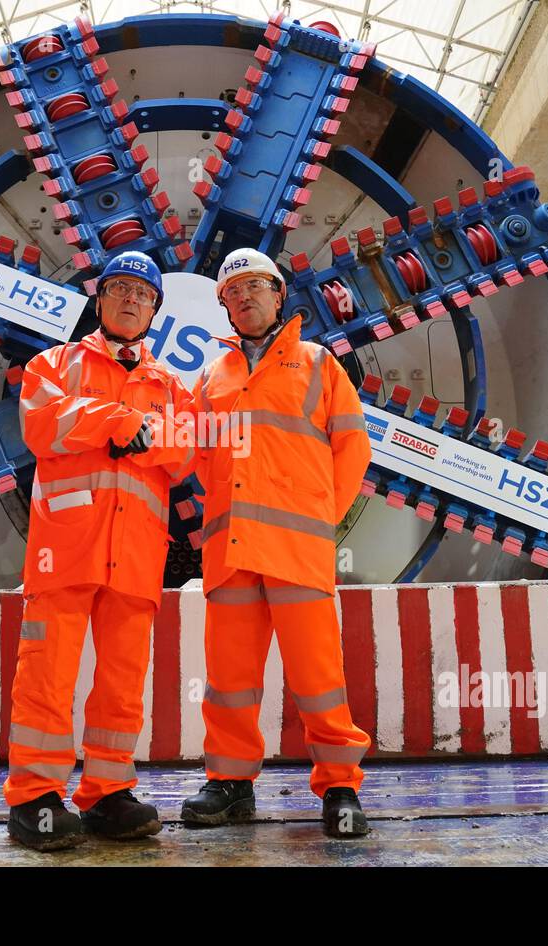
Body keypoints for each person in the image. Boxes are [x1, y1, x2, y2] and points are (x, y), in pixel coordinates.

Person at [180, 247, 374, 838]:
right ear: (224, 307)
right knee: (230, 680)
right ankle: (231, 785)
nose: (244, 297)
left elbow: (353, 450)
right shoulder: (211, 378)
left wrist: (317, 520)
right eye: (232, 292)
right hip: (231, 553)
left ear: (278, 293)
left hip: (297, 551)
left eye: (255, 286)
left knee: (318, 677)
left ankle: (340, 788)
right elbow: (196, 459)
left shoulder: (318, 364)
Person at [5, 250, 194, 851]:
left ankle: (108, 792)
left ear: (155, 310)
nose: (131, 299)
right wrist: (116, 421)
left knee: (122, 680)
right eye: (120, 288)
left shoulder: (169, 385)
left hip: (135, 554)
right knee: (47, 673)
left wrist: (136, 434)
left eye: (143, 293)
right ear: (100, 299)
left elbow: (184, 450)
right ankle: (34, 795)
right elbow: (42, 425)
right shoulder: (52, 364)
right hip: (66, 547)